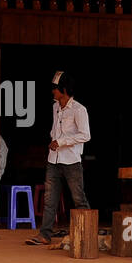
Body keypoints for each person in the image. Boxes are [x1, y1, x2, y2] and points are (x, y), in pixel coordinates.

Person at [27, 71, 91, 245]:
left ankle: (87, 234)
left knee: (79, 198)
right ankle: (44, 234)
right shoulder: (55, 106)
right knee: (50, 199)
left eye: (55, 88)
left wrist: (61, 141)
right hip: (53, 159)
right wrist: (53, 139)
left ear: (64, 89)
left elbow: (85, 135)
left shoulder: (79, 109)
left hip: (71, 160)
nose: (53, 92)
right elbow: (55, 128)